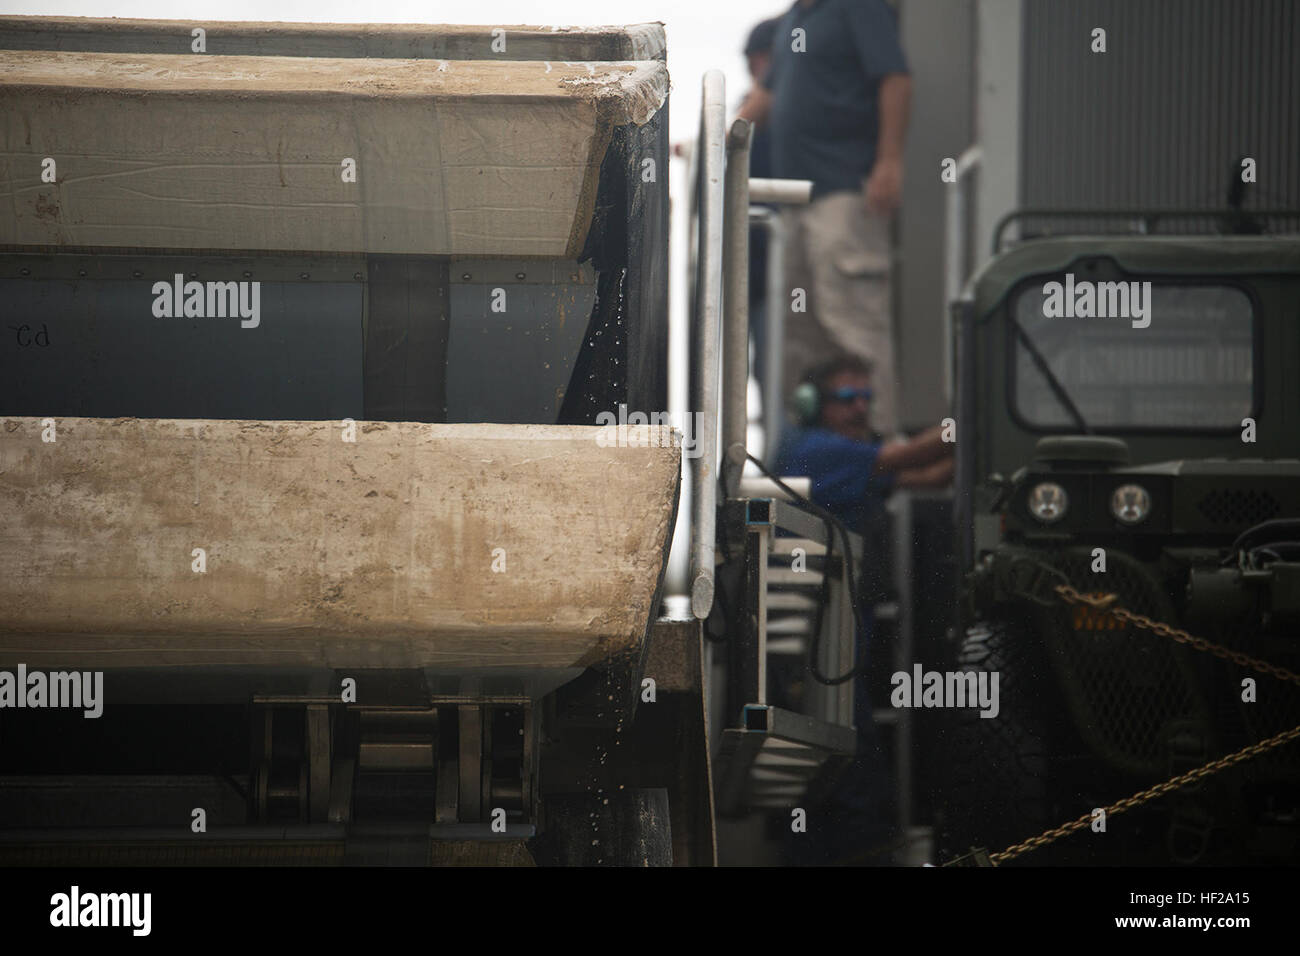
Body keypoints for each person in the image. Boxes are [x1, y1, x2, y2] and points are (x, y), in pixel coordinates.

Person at [773, 353, 950, 865]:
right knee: (846, 758)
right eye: (847, 398)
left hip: (843, 633)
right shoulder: (814, 449)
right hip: (814, 637)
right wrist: (969, 417)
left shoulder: (849, 457)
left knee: (840, 756)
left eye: (867, 398)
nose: (860, 409)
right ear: (812, 405)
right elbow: (911, 456)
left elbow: (930, 477)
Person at [739, 0, 912, 436]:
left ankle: (880, 449)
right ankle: (810, 448)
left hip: (844, 193)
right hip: (793, 204)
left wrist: (889, 161)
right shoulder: (795, 18)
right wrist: (718, 140)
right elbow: (767, 94)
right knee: (800, 333)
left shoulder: (857, 7)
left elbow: (895, 77)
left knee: (855, 323)